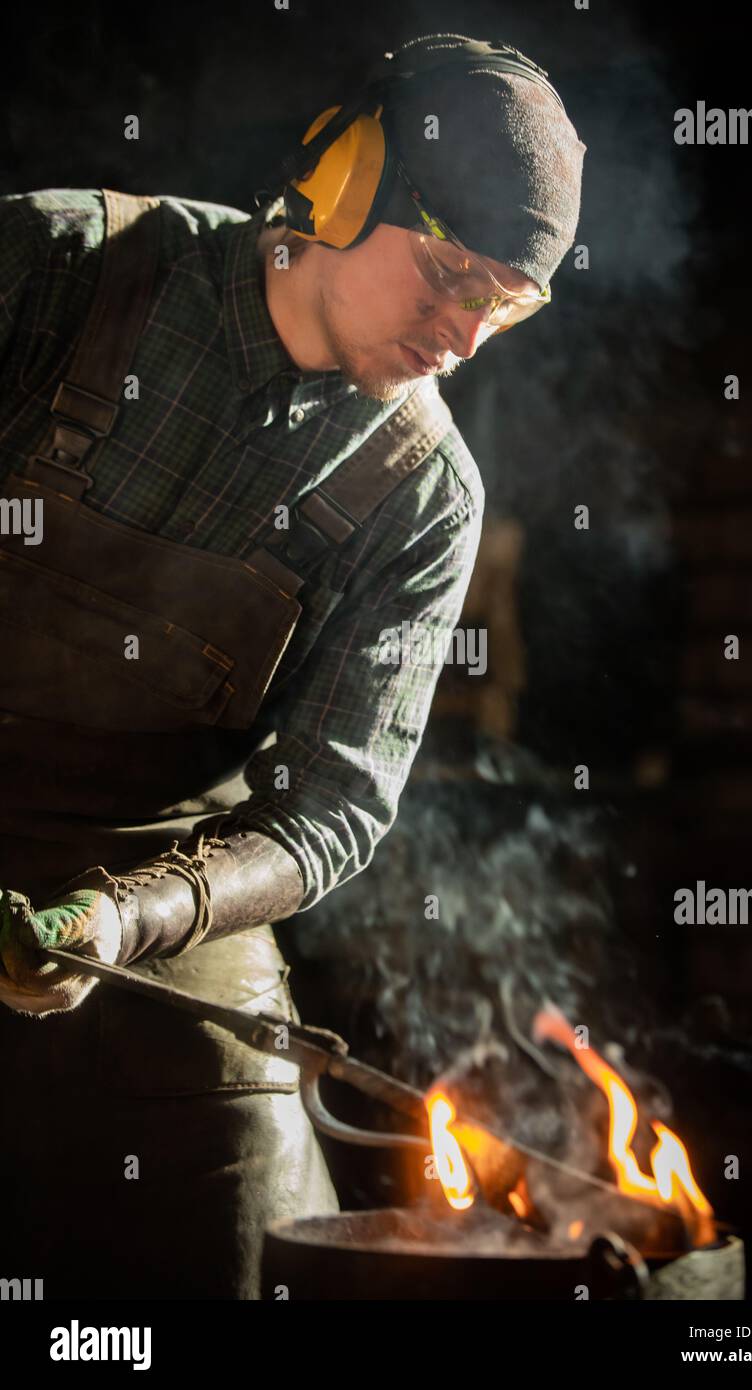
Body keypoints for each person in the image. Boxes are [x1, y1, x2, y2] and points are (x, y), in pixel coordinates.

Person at [0, 33, 586, 1298]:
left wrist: (126, 916)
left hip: (161, 885)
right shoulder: (60, 266)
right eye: (444, 273)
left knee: (263, 1265)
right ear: (340, 179)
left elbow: (333, 805)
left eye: (499, 303)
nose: (462, 333)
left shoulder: (420, 495)